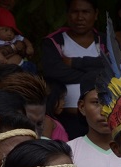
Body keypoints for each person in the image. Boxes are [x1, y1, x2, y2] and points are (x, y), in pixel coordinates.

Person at [41, 0, 106, 140]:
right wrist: (96, 72)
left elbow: (113, 68)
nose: (80, 17)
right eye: (75, 12)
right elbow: (53, 72)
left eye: (85, 12)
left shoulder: (105, 41)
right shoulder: (55, 41)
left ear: (96, 15)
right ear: (67, 14)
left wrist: (74, 63)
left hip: (102, 118)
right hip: (65, 119)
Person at [68, 75, 121, 167]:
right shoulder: (68, 151)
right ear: (82, 107)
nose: (104, 110)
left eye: (111, 101)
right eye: (96, 102)